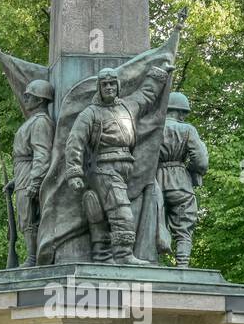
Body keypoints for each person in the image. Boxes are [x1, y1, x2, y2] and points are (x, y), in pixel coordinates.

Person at [64, 63, 172, 265]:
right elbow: (74, 142)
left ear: (118, 86)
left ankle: (102, 256)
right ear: (99, 88)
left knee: (103, 213)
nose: (109, 88)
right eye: (105, 85)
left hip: (127, 168)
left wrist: (159, 73)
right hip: (104, 168)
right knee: (121, 211)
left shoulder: (127, 106)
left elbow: (147, 94)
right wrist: (74, 173)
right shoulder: (90, 113)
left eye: (113, 84)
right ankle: (123, 256)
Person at [157, 92, 208, 268]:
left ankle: (152, 263)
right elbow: (201, 161)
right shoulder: (187, 130)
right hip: (180, 183)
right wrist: (191, 171)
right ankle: (182, 264)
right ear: (180, 112)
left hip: (154, 182)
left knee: (154, 224)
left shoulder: (153, 128)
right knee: (184, 226)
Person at [10, 79, 55, 266]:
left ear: (40, 100)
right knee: (24, 217)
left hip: (30, 174)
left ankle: (33, 258)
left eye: (30, 95)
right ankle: (31, 257)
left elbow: (41, 154)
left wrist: (35, 182)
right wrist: (15, 180)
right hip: (23, 173)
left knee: (29, 218)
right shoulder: (33, 122)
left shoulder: (41, 123)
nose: (25, 98)